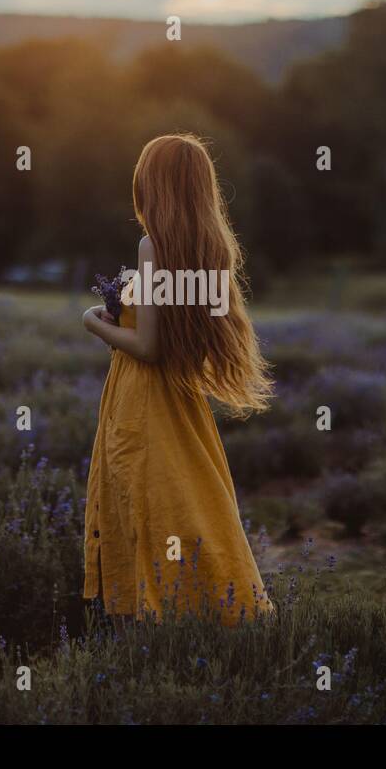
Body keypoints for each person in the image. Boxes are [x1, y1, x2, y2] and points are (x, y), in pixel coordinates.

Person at [81, 133, 275, 626]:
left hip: (143, 401)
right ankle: (219, 607)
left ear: (152, 185)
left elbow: (149, 347)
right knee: (192, 503)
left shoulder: (152, 247)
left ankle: (162, 617)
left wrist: (94, 323)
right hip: (181, 401)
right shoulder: (205, 247)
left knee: (148, 510)